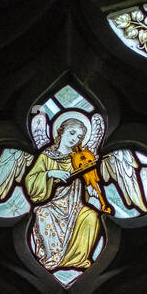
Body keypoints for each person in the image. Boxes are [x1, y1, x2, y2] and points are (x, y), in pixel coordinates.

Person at [23, 113, 101, 272]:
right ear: (61, 132)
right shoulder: (46, 157)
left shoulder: (78, 159)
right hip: (51, 206)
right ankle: (53, 259)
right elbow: (31, 181)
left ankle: (77, 259)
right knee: (42, 214)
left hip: (75, 207)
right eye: (72, 133)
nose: (75, 139)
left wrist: (89, 189)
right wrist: (50, 174)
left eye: (79, 137)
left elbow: (86, 184)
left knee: (91, 216)